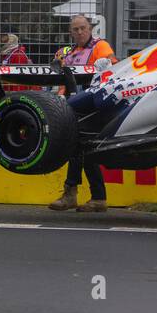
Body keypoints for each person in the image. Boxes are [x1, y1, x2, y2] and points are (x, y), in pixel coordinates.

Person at [49, 15, 119, 213]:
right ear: (70, 32)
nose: (80, 32)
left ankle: (72, 193)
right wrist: (59, 101)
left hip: (94, 104)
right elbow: (60, 80)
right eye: (76, 29)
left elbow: (113, 68)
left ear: (90, 28)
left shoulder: (100, 46)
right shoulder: (67, 53)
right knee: (82, 148)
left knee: (79, 146)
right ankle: (97, 198)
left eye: (83, 28)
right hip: (72, 107)